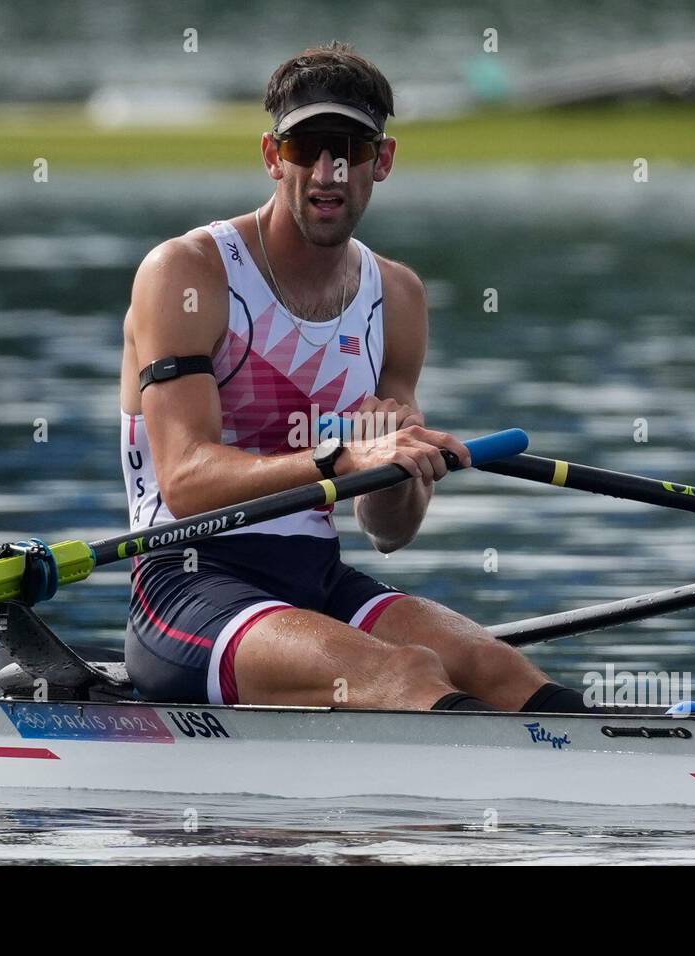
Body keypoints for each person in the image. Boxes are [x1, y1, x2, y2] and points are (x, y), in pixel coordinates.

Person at [120, 42, 584, 715]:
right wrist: (342, 455)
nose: (327, 171)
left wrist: (405, 467)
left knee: (500, 673)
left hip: (317, 581)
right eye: (306, 147)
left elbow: (389, 531)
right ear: (272, 156)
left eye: (350, 149)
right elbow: (187, 483)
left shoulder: (396, 295)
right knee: (406, 675)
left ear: (383, 161)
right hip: (189, 589)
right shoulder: (188, 274)